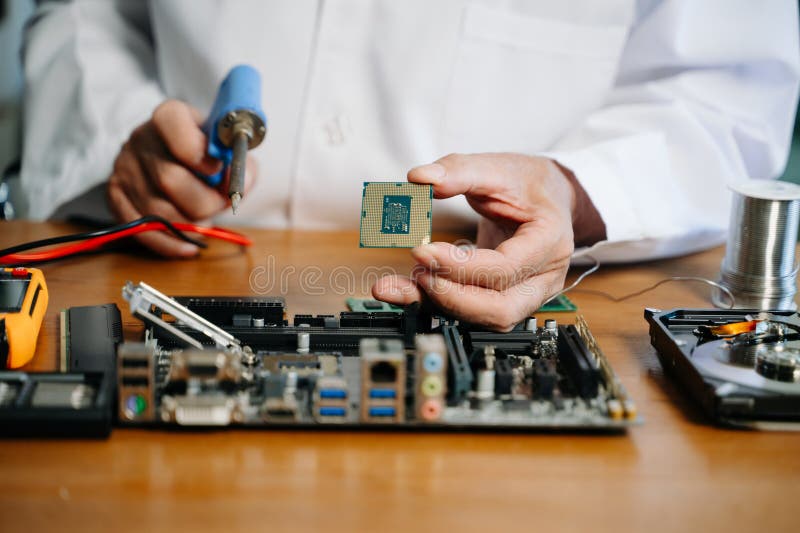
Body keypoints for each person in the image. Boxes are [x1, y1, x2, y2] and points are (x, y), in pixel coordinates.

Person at [19, 1, 800, 330]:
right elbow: (80, 14)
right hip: (171, 251)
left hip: (528, 286)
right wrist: (117, 131)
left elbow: (720, 84)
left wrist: (571, 190)